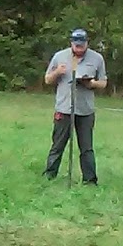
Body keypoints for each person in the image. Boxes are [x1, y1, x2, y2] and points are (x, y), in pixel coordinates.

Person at [43, 28, 108, 183]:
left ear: (87, 43)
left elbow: (103, 83)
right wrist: (57, 72)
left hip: (85, 110)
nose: (79, 48)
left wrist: (92, 83)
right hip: (64, 108)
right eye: (76, 45)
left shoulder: (97, 58)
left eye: (82, 45)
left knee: (86, 148)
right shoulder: (59, 57)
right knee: (57, 145)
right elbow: (47, 80)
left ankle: (90, 180)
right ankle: (49, 176)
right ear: (71, 43)